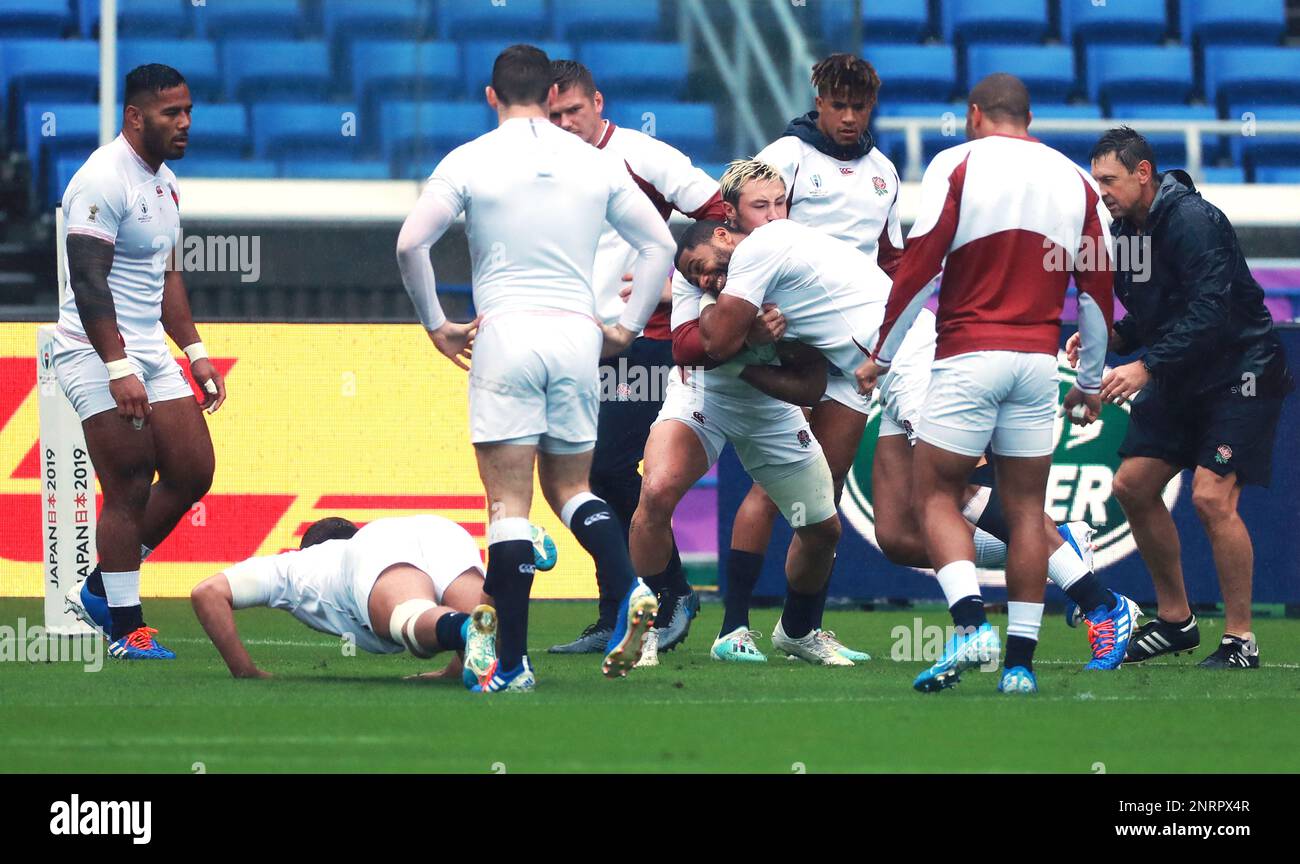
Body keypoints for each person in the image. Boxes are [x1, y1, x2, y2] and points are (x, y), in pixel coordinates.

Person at [394, 45, 676, 691]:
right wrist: (627, 326)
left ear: (491, 97)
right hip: (578, 334)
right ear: (554, 97)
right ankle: (631, 584)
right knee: (573, 490)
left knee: (509, 505)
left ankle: (513, 665)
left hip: (506, 334)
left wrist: (437, 322)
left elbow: (412, 242)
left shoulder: (469, 159)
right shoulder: (592, 160)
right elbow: (660, 242)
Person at [856, 74, 1116, 694]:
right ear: (1029, 117)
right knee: (1027, 511)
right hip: (1035, 362)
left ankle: (971, 625)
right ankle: (1020, 668)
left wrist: (883, 355)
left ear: (975, 115)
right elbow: (1098, 293)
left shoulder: (957, 163)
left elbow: (920, 267)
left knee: (938, 493)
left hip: (969, 354)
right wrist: (1087, 381)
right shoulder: (1077, 180)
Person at [1083, 127, 1294, 669]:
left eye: (1109, 179)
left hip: (1240, 372)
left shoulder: (1194, 221)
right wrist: (1111, 338)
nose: (1100, 189)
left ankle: (1241, 639)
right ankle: (1177, 622)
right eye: (1096, 179)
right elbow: (1155, 316)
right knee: (1131, 485)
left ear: (1143, 173)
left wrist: (1145, 364)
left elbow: (1209, 312)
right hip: (1183, 375)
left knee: (1209, 497)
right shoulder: (1124, 230)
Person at [545, 59, 726, 657]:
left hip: (642, 336)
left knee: (608, 470)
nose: (566, 122)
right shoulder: (547, 169)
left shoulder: (642, 155)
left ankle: (670, 592)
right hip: (579, 341)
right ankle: (618, 610)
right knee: (583, 478)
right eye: (554, 115)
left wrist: (685, 283)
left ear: (598, 103)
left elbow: (720, 212)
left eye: (574, 110)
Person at [58, 64, 226, 660]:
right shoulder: (102, 179)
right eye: (169, 114)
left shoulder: (167, 182)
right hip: (93, 350)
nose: (183, 124)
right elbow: (88, 280)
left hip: (149, 351)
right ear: (135, 117)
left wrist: (196, 352)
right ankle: (129, 629)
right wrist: (116, 366)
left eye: (187, 112)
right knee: (128, 483)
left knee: (192, 469)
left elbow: (167, 275)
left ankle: (104, 586)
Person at [190, 516, 498, 683]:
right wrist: (452, 673)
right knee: (480, 617)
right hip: (441, 529)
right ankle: (514, 553)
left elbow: (207, 592)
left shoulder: (296, 565)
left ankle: (464, 622)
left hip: (380, 543)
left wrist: (246, 672)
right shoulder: (363, 544)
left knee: (410, 616)